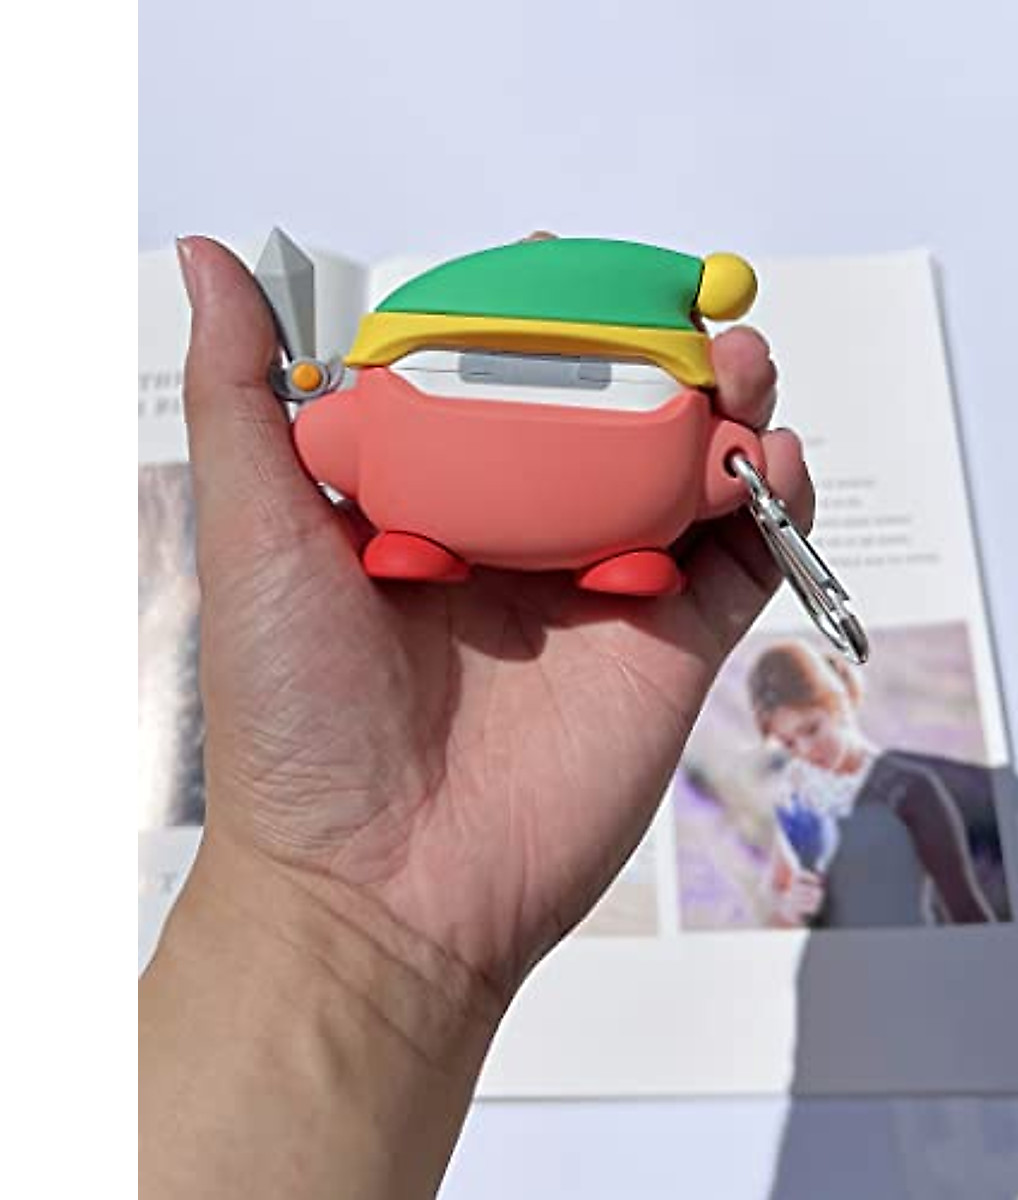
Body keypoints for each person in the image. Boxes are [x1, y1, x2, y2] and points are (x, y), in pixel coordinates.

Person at [139, 236, 813, 1199]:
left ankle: (527, 550)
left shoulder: (386, 404)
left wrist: (321, 923)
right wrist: (325, 909)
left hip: (545, 509)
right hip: (612, 519)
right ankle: (589, 555)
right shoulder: (654, 429)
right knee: (633, 526)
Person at [749, 640, 997, 929]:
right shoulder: (798, 791)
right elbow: (774, 892)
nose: (805, 751)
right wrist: (787, 908)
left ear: (838, 704)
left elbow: (967, 912)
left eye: (812, 729)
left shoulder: (910, 790)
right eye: (789, 743)